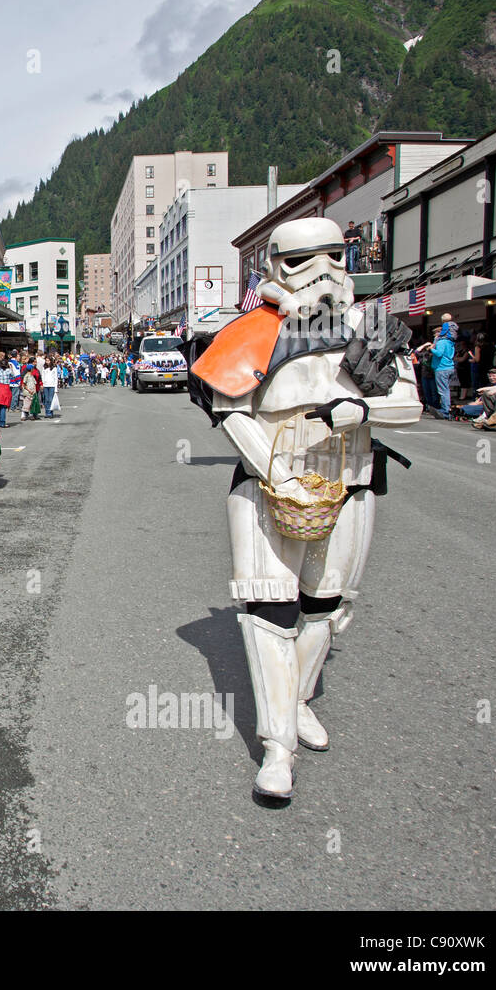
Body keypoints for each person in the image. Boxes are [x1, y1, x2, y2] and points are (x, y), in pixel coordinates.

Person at [188, 216, 421, 803]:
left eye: (335, 256)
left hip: (350, 484)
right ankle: (277, 744)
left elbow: (409, 404)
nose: (323, 271)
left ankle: (296, 700)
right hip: (271, 488)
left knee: (327, 608)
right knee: (268, 611)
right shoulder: (256, 330)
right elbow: (229, 408)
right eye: (301, 259)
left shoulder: (372, 330)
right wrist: (277, 470)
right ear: (275, 267)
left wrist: (362, 411)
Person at [416, 321, 456, 419]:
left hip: (442, 368)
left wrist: (431, 349)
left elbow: (439, 353)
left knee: (443, 391)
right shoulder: (450, 342)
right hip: (449, 366)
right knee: (446, 390)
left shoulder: (442, 342)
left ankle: (445, 411)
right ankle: (446, 409)